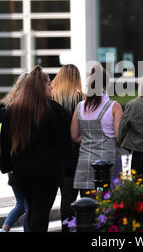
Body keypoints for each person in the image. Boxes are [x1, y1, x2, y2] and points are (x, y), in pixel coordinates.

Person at [0, 65, 72, 232]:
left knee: (31, 207)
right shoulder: (54, 110)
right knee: (41, 210)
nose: (52, 87)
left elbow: (5, 141)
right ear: (41, 87)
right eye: (49, 84)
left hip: (22, 168)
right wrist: (67, 166)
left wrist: (6, 166)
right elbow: (64, 141)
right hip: (47, 169)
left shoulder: (14, 110)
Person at [71, 65, 123, 196]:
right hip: (106, 166)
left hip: (85, 164)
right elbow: (118, 137)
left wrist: (91, 139)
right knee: (103, 204)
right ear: (107, 85)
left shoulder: (80, 106)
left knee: (87, 204)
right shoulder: (114, 107)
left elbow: (74, 136)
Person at [0, 73, 29, 232]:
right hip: (23, 159)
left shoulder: (9, 107)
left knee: (21, 203)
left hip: (11, 160)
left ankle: (4, 229)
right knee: (29, 206)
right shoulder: (26, 109)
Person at [51, 64, 84, 232]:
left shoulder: (51, 97)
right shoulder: (80, 99)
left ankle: (66, 228)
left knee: (64, 197)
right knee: (72, 196)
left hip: (54, 155)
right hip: (76, 153)